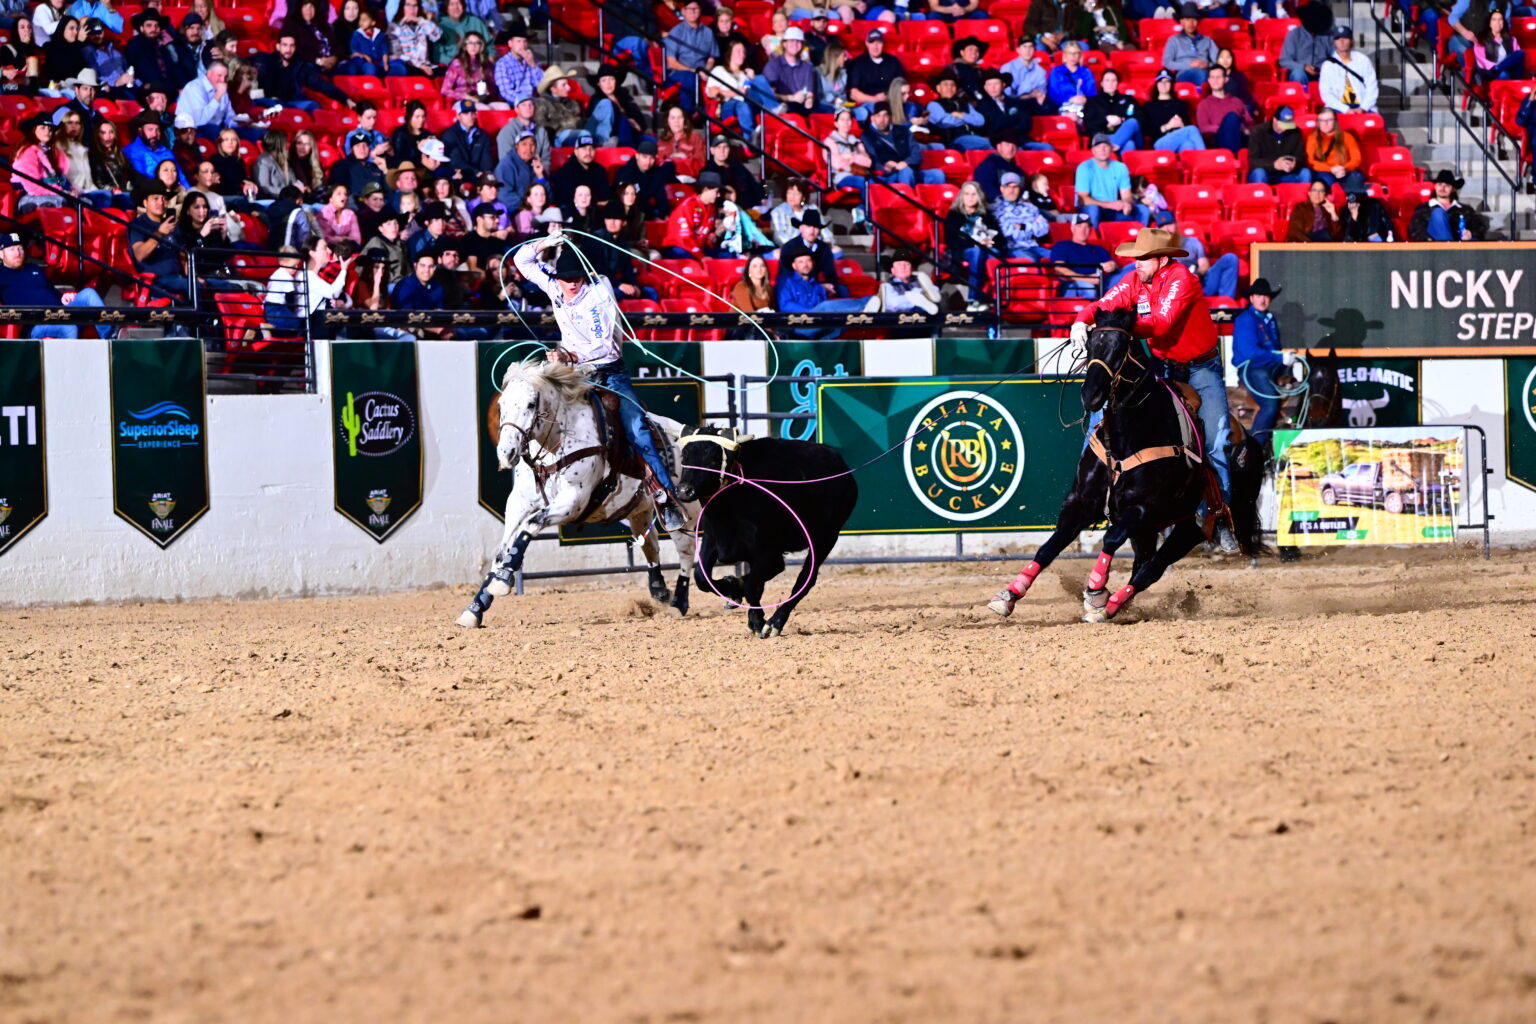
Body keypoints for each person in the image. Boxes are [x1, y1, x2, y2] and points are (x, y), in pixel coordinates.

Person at [1069, 227, 1239, 551]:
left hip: (1200, 369)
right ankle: (1103, 499)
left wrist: (1118, 327)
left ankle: (1218, 517)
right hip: (1162, 368)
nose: (1136, 264)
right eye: (1135, 258)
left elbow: (1162, 323)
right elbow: (1105, 304)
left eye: (1142, 259)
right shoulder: (1135, 281)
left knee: (1217, 441)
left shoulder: (1182, 280)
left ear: (1161, 259)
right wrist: (1081, 319)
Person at [512, 230, 689, 531]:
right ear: (559, 277)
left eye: (577, 276)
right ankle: (531, 470)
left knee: (637, 428)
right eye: (567, 277)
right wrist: (547, 242)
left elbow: (604, 344)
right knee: (536, 404)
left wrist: (568, 357)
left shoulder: (598, 293)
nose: (572, 282)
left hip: (609, 372)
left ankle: (664, 495)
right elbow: (521, 259)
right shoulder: (554, 286)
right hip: (575, 372)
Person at [0, 232, 108, 338]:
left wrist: (63, 297)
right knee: (68, 327)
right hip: (37, 324)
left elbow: (51, 292)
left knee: (89, 293)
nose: (18, 252)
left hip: (62, 313)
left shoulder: (35, 269)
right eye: (12, 249)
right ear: (1, 254)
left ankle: (111, 337)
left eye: (20, 248)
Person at [1231, 277, 1292, 448]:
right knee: (1270, 405)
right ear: (1251, 298)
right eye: (1259, 295)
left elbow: (1274, 347)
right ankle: (1255, 448)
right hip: (1252, 369)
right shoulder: (1245, 319)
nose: (1263, 299)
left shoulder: (1269, 319)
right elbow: (1250, 353)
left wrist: (1283, 359)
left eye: (1266, 296)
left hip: (1270, 367)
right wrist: (1280, 358)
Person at [264, 237, 353, 334]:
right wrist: (343, 270)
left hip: (317, 325)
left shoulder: (311, 276)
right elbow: (333, 293)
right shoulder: (307, 277)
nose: (329, 251)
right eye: (325, 247)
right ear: (312, 253)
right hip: (312, 327)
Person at [944, 181, 1002, 310]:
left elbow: (1000, 237)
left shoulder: (986, 215)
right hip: (962, 250)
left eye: (974, 194)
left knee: (996, 254)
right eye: (967, 194)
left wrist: (990, 241)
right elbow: (951, 240)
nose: (970, 197)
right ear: (961, 196)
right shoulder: (954, 215)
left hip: (986, 248)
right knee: (977, 253)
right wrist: (976, 243)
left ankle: (992, 298)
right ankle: (973, 299)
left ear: (979, 196)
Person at [1075, 132, 1148, 227]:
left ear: (1111, 149)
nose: (1103, 149)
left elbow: (1126, 195)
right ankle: (1095, 240)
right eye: (1099, 146)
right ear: (1093, 150)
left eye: (1106, 146)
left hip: (1113, 209)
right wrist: (1109, 204)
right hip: (1094, 209)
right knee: (1093, 210)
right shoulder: (1084, 167)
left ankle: (1141, 239)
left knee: (1142, 209)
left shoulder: (1120, 167)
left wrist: (1126, 204)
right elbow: (1083, 200)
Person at [663, 0, 717, 115]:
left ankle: (710, 115)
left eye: (696, 8)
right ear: (683, 11)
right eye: (689, 9)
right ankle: (687, 114)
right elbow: (671, 62)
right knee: (689, 78)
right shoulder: (676, 32)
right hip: (679, 73)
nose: (693, 12)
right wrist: (693, 71)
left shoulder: (708, 32)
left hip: (702, 71)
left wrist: (706, 70)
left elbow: (712, 58)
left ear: (700, 11)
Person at [1408, 169, 1489, 241]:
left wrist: (1471, 233)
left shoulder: (1465, 210)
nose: (1442, 188)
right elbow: (1415, 229)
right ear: (1435, 186)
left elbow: (1480, 227)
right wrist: (1428, 240)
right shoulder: (1424, 208)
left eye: (1447, 185)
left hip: (1460, 245)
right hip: (1434, 247)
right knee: (1438, 213)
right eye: (1440, 184)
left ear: (1453, 189)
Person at [1050, 213, 1115, 298]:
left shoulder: (1098, 248)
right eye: (1079, 226)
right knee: (1088, 288)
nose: (1083, 230)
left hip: (1102, 282)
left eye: (1087, 227)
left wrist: (1112, 265)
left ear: (1090, 230)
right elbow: (1059, 270)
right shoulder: (1062, 246)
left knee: (1132, 268)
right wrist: (1087, 279)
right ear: (1073, 228)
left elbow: (1111, 263)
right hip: (1075, 284)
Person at [662, 173, 724, 259]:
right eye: (716, 192)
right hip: (678, 247)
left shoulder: (712, 208)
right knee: (690, 260)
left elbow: (706, 233)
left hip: (697, 248)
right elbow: (684, 239)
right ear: (705, 189)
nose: (719, 195)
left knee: (727, 256)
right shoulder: (688, 206)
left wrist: (712, 237)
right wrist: (701, 257)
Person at [847, 27, 903, 122]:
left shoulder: (893, 62)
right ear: (866, 44)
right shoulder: (858, 63)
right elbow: (853, 94)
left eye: (878, 43)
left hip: (890, 102)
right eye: (871, 42)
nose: (875, 46)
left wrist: (889, 98)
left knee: (912, 107)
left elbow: (901, 87)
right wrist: (874, 99)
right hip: (868, 103)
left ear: (883, 44)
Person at [1143, 70, 1206, 153]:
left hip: (1179, 138)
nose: (1163, 84)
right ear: (1156, 84)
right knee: (1192, 129)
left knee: (1188, 144)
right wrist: (1167, 126)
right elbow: (1147, 130)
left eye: (1167, 81)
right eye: (1160, 81)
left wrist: (1182, 125)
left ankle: (1188, 165)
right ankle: (1205, 158)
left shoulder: (1180, 104)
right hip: (1160, 142)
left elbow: (1187, 124)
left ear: (1171, 84)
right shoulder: (1149, 105)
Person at [1319, 25, 1377, 114]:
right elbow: (1326, 94)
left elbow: (1372, 87)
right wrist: (1346, 109)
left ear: (1351, 41)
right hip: (1337, 108)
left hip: (1362, 105)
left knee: (1377, 123)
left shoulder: (1363, 60)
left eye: (1345, 38)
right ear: (1334, 42)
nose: (1341, 41)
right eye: (1338, 39)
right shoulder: (1328, 65)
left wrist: (1363, 108)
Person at [992, 171, 1051, 259]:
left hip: (1034, 246)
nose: (1012, 190)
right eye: (1008, 186)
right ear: (1002, 188)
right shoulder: (995, 209)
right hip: (1013, 249)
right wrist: (1032, 226)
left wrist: (1022, 227)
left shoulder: (1030, 207)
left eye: (1015, 186)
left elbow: (1044, 228)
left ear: (1019, 188)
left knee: (1058, 258)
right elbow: (1006, 233)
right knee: (1031, 262)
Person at [612, 138, 676, 220]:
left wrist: (665, 215)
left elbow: (660, 193)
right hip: (627, 214)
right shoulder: (626, 173)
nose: (648, 162)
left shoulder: (655, 171)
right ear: (637, 156)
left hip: (647, 209)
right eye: (644, 157)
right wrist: (653, 217)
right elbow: (628, 200)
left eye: (652, 158)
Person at [1247, 106, 1311, 185]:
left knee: (1305, 172)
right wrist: (1274, 164)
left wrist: (1295, 163)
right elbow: (1253, 161)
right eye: (1283, 125)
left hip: (1287, 174)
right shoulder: (1258, 132)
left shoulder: (1295, 132)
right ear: (1275, 120)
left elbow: (1301, 157)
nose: (1285, 129)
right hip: (1267, 173)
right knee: (1259, 173)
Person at [763, 25, 818, 116]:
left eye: (798, 42)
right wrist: (791, 98)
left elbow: (809, 92)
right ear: (784, 44)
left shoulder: (807, 67)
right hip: (781, 109)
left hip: (803, 108)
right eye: (792, 41)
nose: (795, 45)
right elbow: (769, 94)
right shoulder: (773, 65)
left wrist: (809, 100)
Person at [1082, 67, 1141, 152]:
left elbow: (1141, 119)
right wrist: (1106, 120)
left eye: (1114, 80)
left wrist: (1121, 120)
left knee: (1132, 122)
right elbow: (1088, 124)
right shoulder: (1092, 102)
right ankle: (1113, 149)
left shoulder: (1128, 99)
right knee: (1129, 145)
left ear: (1118, 83)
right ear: (1102, 83)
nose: (1111, 83)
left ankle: (1111, 147)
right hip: (1103, 138)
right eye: (1107, 80)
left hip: (1126, 136)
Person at [1304, 108, 1365, 191]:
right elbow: (1310, 161)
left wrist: (1344, 168)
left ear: (1335, 121)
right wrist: (1330, 169)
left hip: (1344, 170)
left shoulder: (1347, 137)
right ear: (1318, 122)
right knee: (1326, 179)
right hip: (1324, 171)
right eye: (1322, 120)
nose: (1325, 124)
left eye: (1329, 120)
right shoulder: (1312, 138)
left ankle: (1352, 201)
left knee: (1356, 176)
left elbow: (1357, 159)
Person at [1195, 65, 1251, 154]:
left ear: (1226, 79)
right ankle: (1234, 159)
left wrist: (1244, 128)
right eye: (1212, 77)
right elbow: (1204, 128)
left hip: (1239, 139)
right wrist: (1227, 127)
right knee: (1231, 118)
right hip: (1217, 141)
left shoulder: (1237, 101)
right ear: (1208, 80)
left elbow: (1249, 122)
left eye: (1218, 77)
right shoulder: (1203, 104)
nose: (1215, 80)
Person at [863, 248, 939, 313]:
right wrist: (913, 297)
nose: (903, 267)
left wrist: (920, 295)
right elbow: (893, 303)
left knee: (932, 297)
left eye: (907, 264)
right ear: (892, 270)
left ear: (912, 269)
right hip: (898, 321)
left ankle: (922, 303)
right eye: (899, 264)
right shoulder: (888, 286)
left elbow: (936, 295)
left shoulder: (920, 280)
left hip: (924, 319)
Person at [549, 132, 609, 209]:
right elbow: (565, 201)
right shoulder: (566, 172)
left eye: (591, 149)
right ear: (576, 151)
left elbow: (605, 198)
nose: (588, 153)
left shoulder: (600, 170)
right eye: (584, 149)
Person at [1278, 1, 1333, 85]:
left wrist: (1325, 68)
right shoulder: (1294, 35)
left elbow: (1336, 57)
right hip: (1301, 71)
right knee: (1298, 75)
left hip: (1322, 72)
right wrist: (1303, 67)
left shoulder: (1329, 35)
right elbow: (1284, 60)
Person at [440, 97, 495, 180]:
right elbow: (455, 161)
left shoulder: (483, 135)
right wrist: (475, 172)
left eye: (473, 113)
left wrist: (484, 175)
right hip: (460, 176)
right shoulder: (450, 134)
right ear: (458, 116)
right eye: (466, 113)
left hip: (479, 176)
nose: (470, 116)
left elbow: (486, 161)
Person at [1163, 3, 1219, 84]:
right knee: (1202, 75)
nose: (1191, 23)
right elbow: (1167, 62)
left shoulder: (1207, 40)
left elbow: (1217, 61)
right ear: (1182, 22)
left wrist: (1207, 65)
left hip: (1205, 71)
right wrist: (1189, 64)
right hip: (1184, 73)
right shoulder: (1174, 40)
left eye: (1194, 19)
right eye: (1187, 19)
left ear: (1198, 21)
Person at [386, 0, 439, 77]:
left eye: (415, 6)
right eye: (408, 5)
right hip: (409, 65)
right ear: (402, 7)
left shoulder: (422, 25)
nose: (412, 9)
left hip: (426, 65)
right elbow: (397, 55)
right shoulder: (394, 28)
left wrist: (419, 20)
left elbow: (437, 35)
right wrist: (419, 65)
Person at [1470, 10, 1526, 83]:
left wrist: (1499, 67)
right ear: (1489, 23)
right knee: (1504, 74)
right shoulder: (1481, 40)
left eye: (1500, 19)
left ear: (1503, 22)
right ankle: (1496, 69)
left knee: (1520, 53)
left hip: (1510, 70)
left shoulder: (1512, 39)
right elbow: (1482, 61)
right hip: (1490, 73)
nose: (1498, 22)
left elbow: (1516, 58)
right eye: (1494, 20)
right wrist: (1493, 67)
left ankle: (1497, 68)